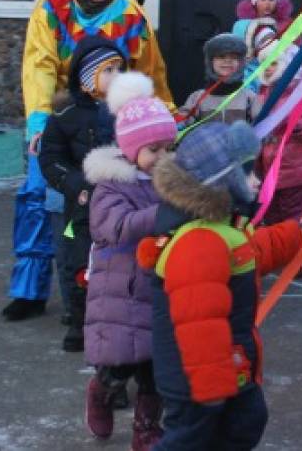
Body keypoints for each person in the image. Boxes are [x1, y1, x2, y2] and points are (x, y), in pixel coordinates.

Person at [5, 0, 171, 322]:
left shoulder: (131, 14)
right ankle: (29, 289)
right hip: (60, 119)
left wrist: (164, 116)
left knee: (118, 203)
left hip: (113, 124)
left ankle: (110, 289)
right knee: (36, 196)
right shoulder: (52, 9)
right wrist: (39, 122)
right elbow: (40, 66)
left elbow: (150, 71)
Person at [143, 121, 302, 451]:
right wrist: (211, 385)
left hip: (224, 366)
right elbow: (199, 320)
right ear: (223, 183)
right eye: (248, 173)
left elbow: (248, 252)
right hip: (197, 378)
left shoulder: (222, 227)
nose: (257, 179)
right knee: (188, 440)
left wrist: (293, 235)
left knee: (244, 422)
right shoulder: (199, 242)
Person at [82, 72, 178, 448]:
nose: (163, 157)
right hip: (121, 292)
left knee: (157, 370)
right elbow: (116, 226)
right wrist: (162, 216)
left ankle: (147, 427)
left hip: (159, 288)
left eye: (169, 148)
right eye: (154, 149)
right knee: (118, 365)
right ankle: (100, 393)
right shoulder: (111, 184)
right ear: (129, 148)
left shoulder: (169, 180)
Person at [37, 36, 126, 349]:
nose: (117, 76)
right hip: (80, 205)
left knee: (117, 262)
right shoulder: (65, 116)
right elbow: (50, 157)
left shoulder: (126, 112)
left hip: (120, 202)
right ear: (87, 76)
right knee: (77, 261)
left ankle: (114, 321)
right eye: (108, 70)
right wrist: (74, 182)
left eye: (120, 69)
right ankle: (79, 322)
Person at [252, 35, 302, 275]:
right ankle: (283, 253)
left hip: (298, 171)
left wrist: (290, 123)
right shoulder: (264, 93)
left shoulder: (296, 95)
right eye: (266, 63)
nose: (269, 68)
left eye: (274, 63)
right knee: (274, 216)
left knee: (298, 216)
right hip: (272, 170)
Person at [178, 33, 260, 126]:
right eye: (221, 56)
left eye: (233, 57)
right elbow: (181, 126)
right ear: (210, 61)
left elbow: (261, 127)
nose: (227, 61)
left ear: (241, 63)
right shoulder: (197, 98)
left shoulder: (249, 97)